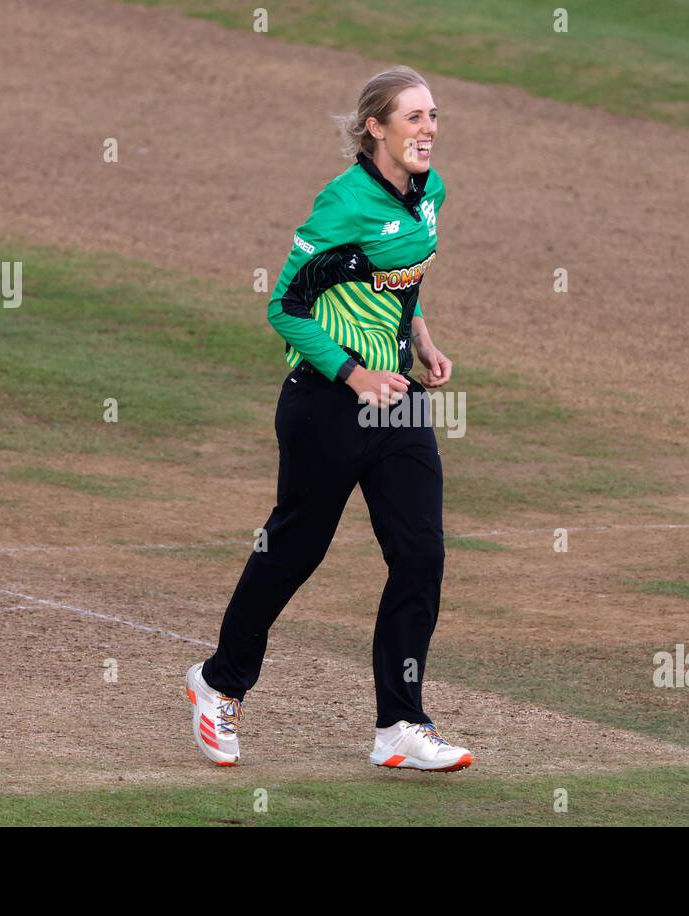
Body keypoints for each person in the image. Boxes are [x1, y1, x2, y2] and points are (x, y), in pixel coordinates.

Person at [183, 66, 472, 772]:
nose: (428, 129)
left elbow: (399, 280)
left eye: (433, 115)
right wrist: (354, 372)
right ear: (375, 126)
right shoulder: (342, 205)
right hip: (325, 405)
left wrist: (421, 339)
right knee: (294, 552)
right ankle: (219, 683)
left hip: (397, 404)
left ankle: (400, 724)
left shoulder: (428, 193)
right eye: (413, 117)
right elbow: (283, 306)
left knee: (420, 554)